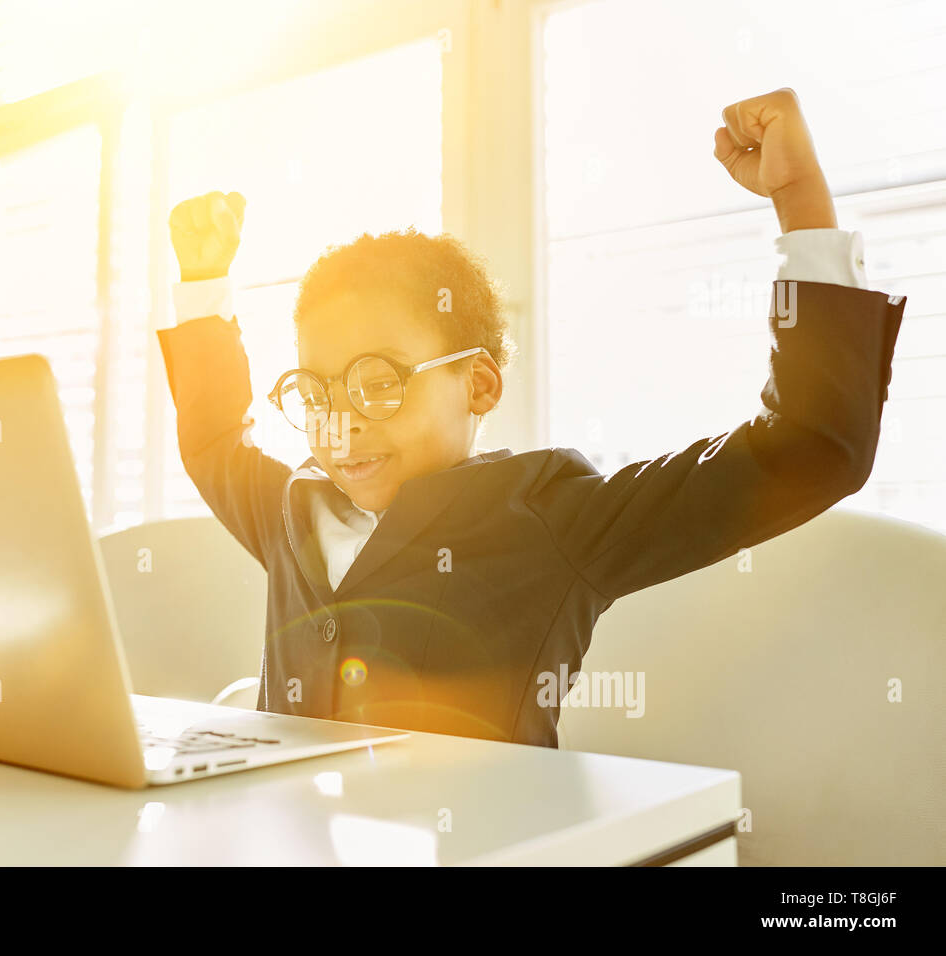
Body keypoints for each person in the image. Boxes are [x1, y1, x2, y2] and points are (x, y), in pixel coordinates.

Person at [156, 88, 907, 745]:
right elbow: (213, 439)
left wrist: (800, 199)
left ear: (480, 385)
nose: (340, 426)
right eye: (316, 394)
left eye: (377, 383)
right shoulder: (291, 511)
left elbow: (813, 446)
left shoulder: (553, 520)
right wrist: (202, 282)